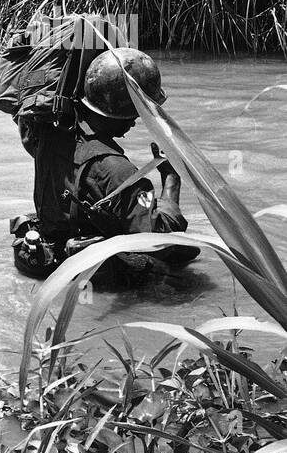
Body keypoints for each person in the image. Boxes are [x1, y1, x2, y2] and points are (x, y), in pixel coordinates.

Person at [14, 48, 198, 281]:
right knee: (186, 265)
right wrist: (172, 177)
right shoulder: (117, 171)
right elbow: (162, 239)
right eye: (138, 112)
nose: (137, 120)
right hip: (90, 274)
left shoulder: (47, 131)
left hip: (48, 255)